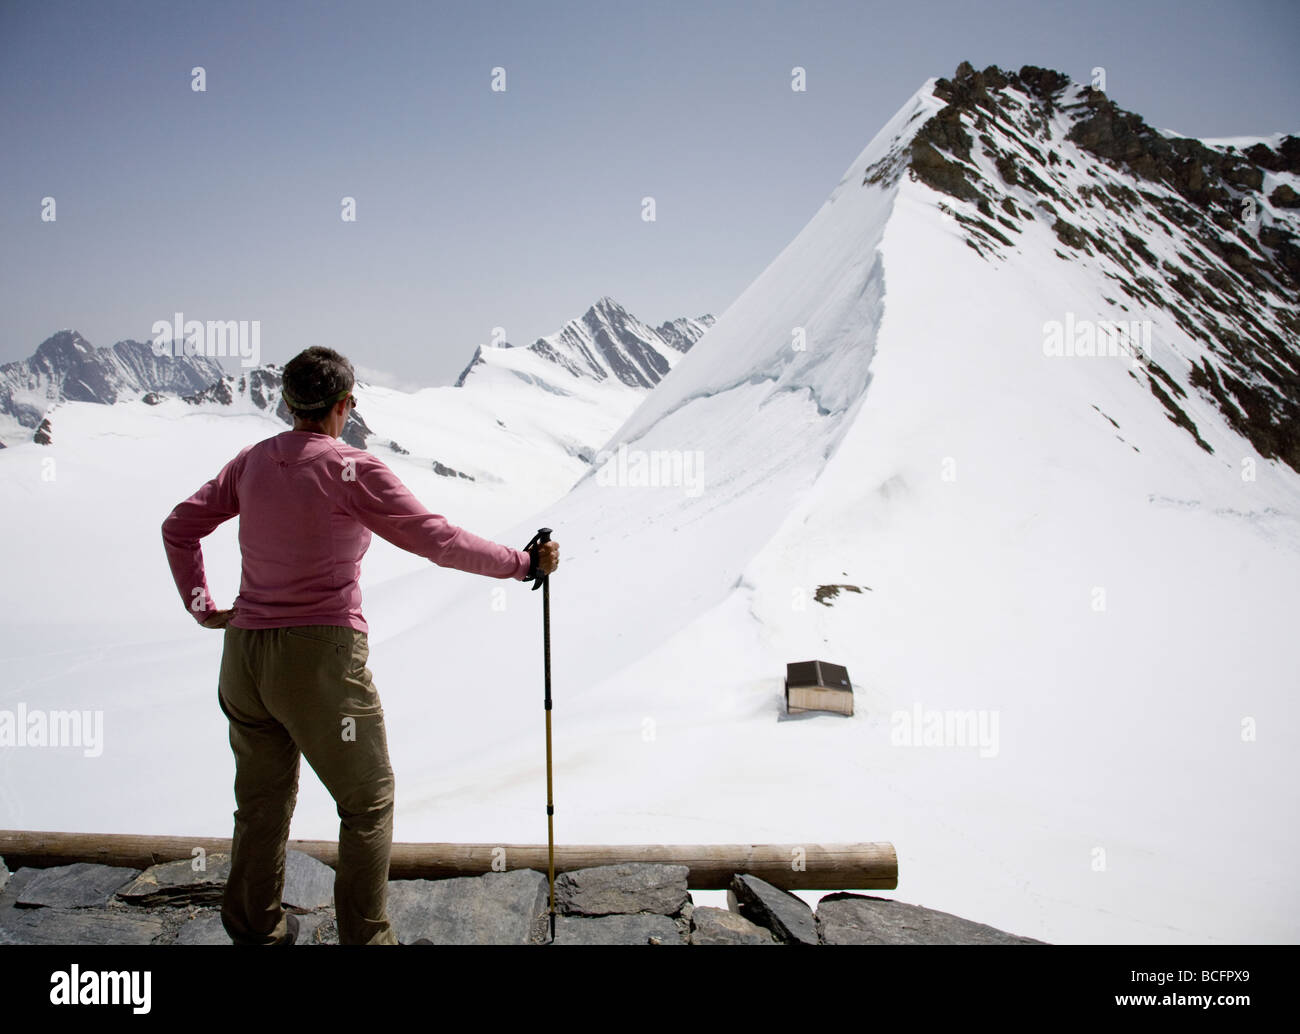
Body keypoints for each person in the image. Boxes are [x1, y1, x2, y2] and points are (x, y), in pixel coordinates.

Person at [161, 345, 559, 945]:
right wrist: (524, 563)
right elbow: (437, 539)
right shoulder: (351, 469)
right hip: (318, 657)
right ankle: (366, 940)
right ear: (345, 405)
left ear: (288, 402)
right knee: (367, 800)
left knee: (261, 802)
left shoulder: (251, 463)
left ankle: (254, 929)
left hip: (243, 657)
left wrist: (201, 605)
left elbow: (179, 526)